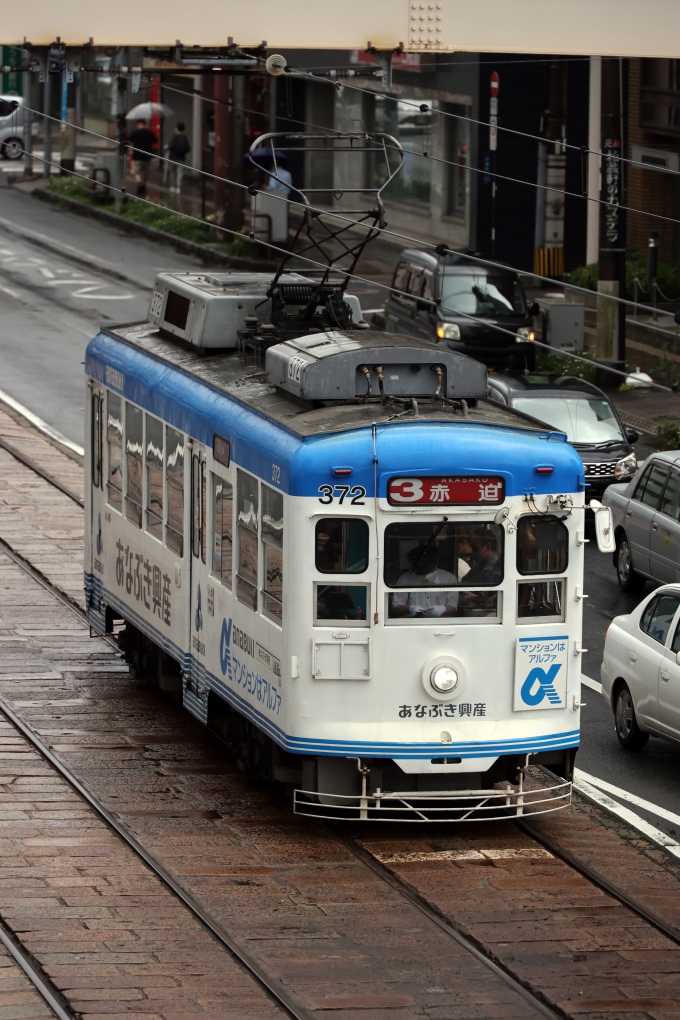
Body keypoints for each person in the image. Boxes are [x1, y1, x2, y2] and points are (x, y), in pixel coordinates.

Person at [391, 545, 458, 617]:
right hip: (412, 624)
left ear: (437, 562)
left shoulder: (449, 579)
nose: (424, 574)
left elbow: (453, 607)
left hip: (440, 624)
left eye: (427, 569)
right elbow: (395, 608)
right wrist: (409, 608)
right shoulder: (404, 579)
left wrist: (443, 609)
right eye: (421, 570)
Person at [128, 119, 157, 197]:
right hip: (147, 156)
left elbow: (130, 141)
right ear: (145, 124)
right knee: (146, 173)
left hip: (137, 156)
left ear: (138, 125)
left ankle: (139, 183)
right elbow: (155, 141)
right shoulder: (149, 133)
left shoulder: (135, 133)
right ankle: (143, 186)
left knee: (135, 172)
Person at [168, 122, 191, 193]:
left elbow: (170, 146)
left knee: (172, 172)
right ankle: (178, 187)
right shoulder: (184, 137)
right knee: (180, 172)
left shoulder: (174, 137)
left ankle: (172, 186)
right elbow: (188, 148)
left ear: (177, 128)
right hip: (182, 158)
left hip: (173, 157)